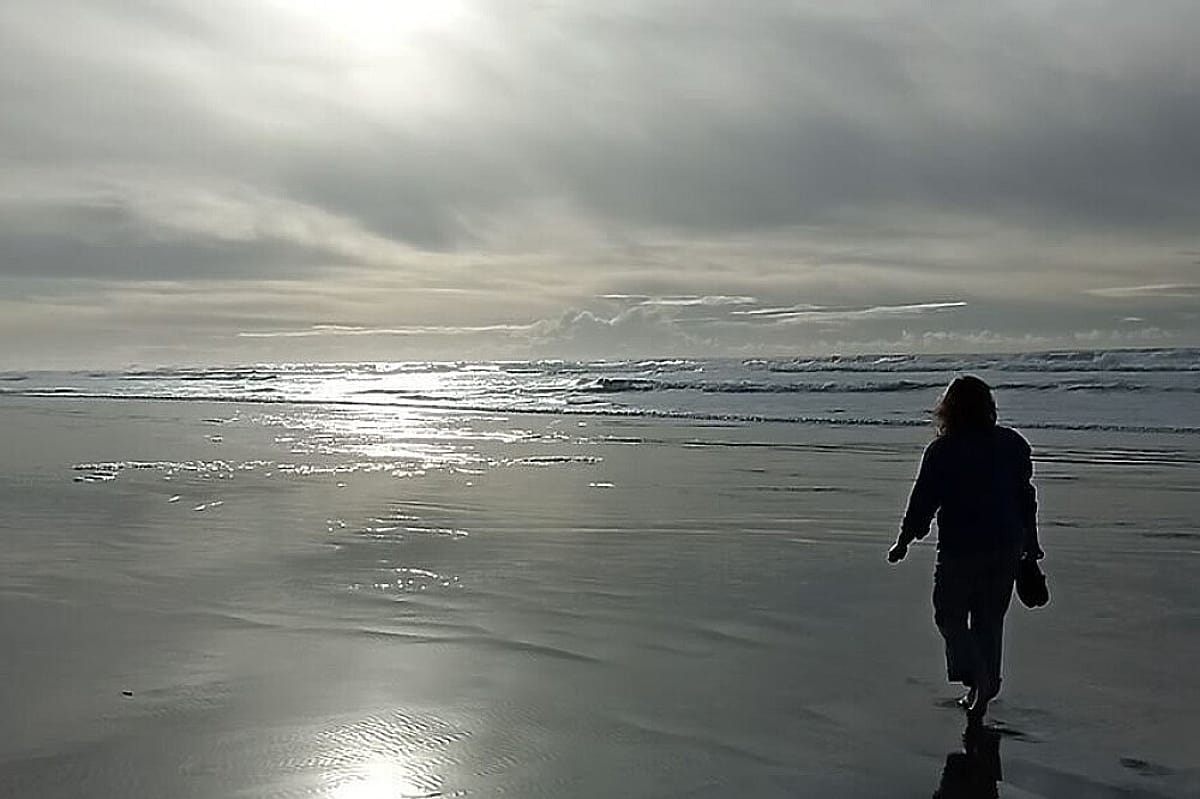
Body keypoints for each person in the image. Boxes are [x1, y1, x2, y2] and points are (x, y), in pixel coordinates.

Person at [887, 375, 1042, 721]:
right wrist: (1031, 545)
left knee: (949, 614)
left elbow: (924, 499)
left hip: (962, 545)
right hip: (1007, 543)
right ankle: (984, 687)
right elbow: (1025, 498)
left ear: (949, 409)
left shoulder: (943, 450)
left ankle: (977, 676)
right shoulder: (1012, 444)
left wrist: (905, 538)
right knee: (989, 618)